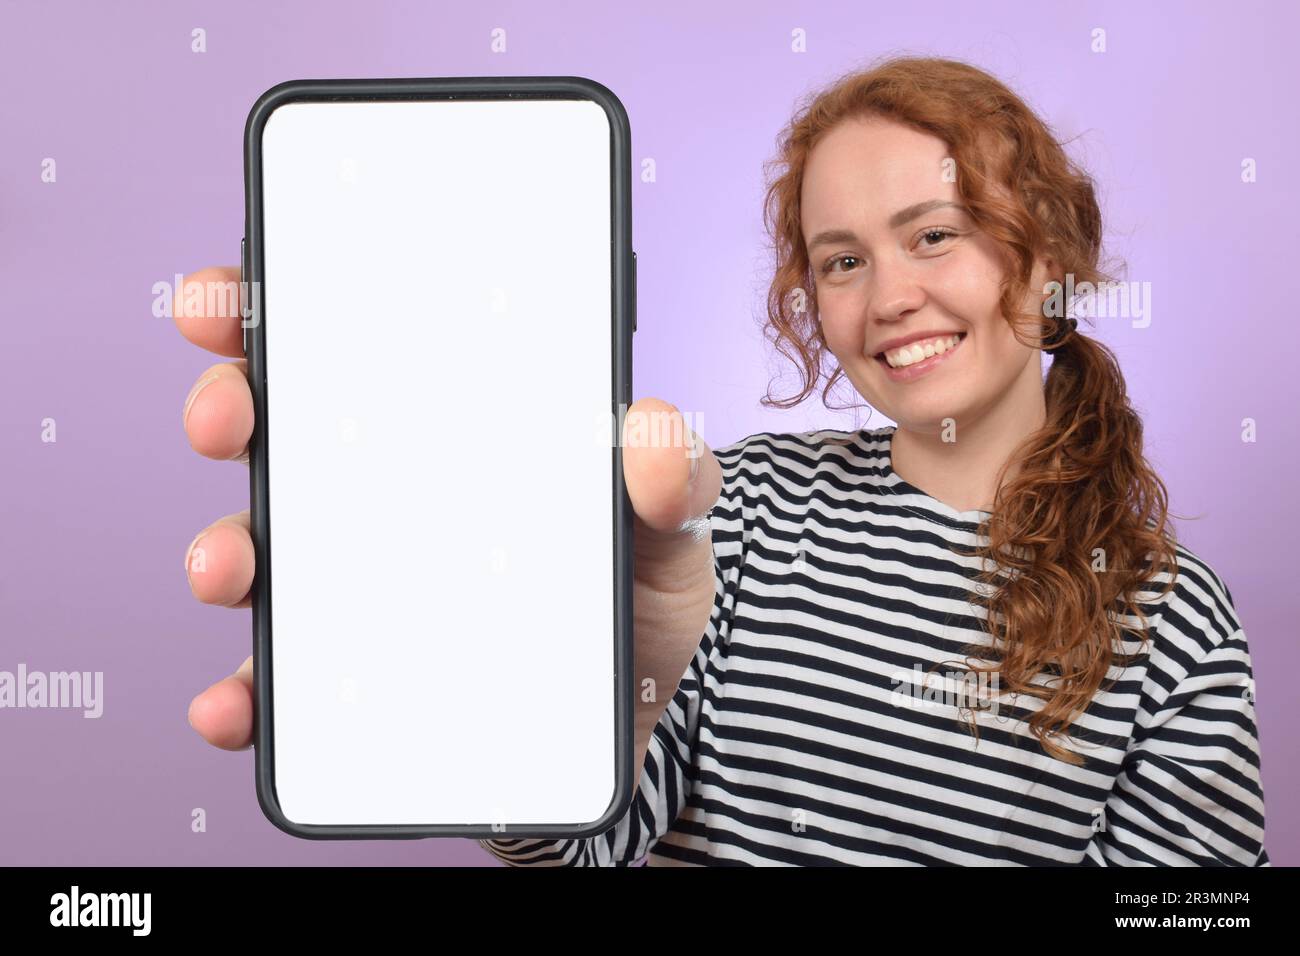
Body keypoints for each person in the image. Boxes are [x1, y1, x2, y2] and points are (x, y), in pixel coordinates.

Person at [175, 55, 1267, 866]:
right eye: (843, 259)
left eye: (934, 233)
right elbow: (581, 848)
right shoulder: (730, 509)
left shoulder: (1176, 621)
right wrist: (495, 687)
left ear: (1046, 256)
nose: (888, 296)